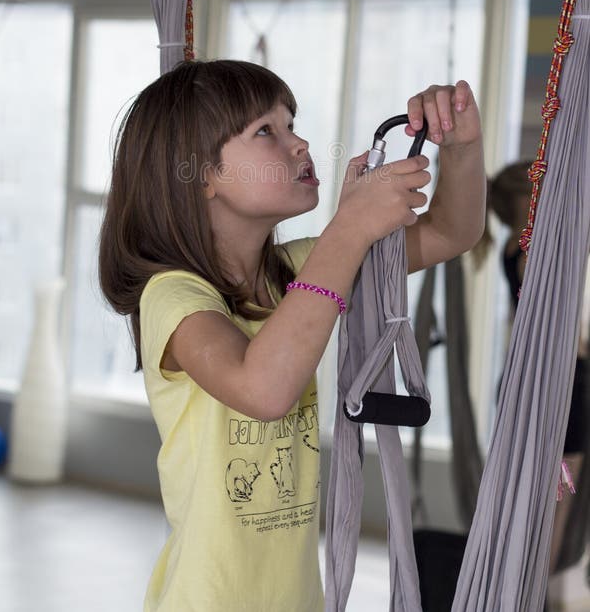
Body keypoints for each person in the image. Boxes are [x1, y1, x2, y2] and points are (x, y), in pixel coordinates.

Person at [99, 60, 485, 612]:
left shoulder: (298, 272)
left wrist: (462, 148)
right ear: (202, 175)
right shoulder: (174, 296)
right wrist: (349, 228)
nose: (301, 143)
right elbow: (264, 390)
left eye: (292, 123)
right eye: (266, 131)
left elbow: (452, 231)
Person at [488, 161, 589, 574]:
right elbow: (550, 323)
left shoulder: (518, 246)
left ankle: (532, 583)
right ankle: (533, 586)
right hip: (553, 384)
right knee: (554, 497)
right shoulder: (531, 249)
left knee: (552, 495)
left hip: (552, 381)